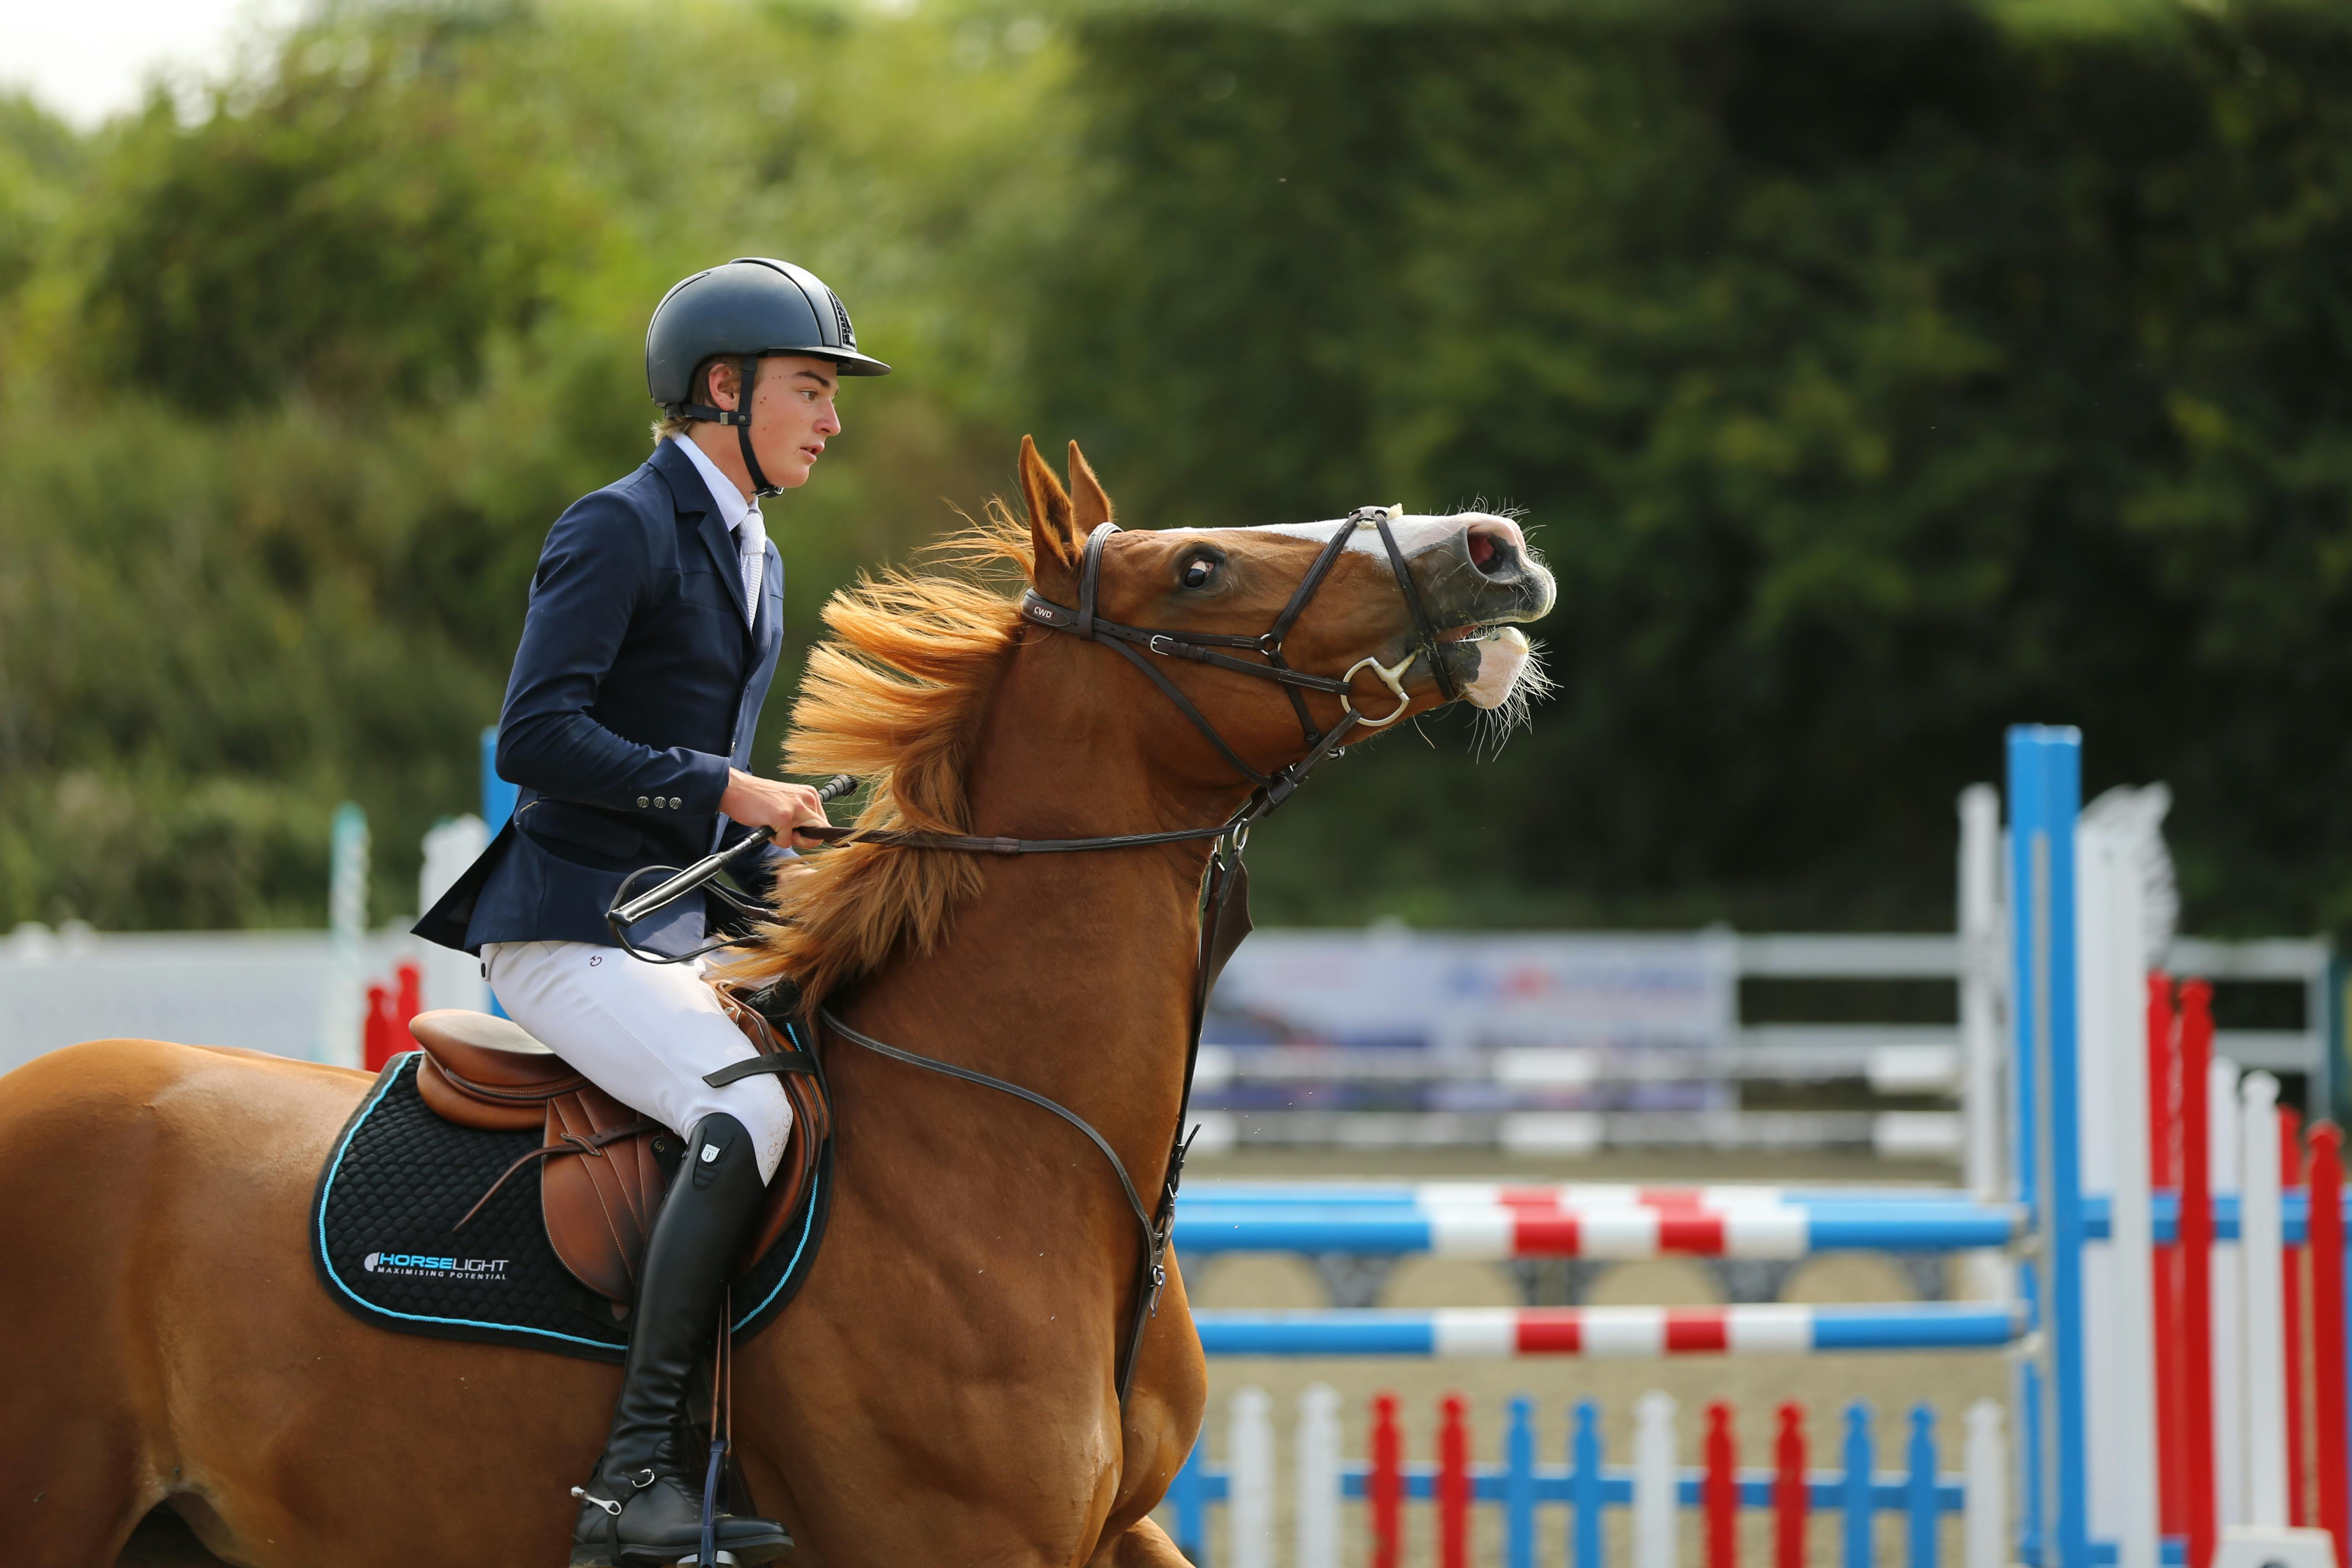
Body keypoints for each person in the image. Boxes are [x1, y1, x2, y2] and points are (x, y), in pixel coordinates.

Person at [414, 257, 888, 1566]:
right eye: (810, 389)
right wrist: (732, 787)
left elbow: (713, 826)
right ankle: (632, 1478)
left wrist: (810, 874)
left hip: (673, 928)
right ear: (722, 390)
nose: (832, 420)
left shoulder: (759, 557)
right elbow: (539, 736)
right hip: (565, 926)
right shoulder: (618, 525)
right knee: (747, 1105)